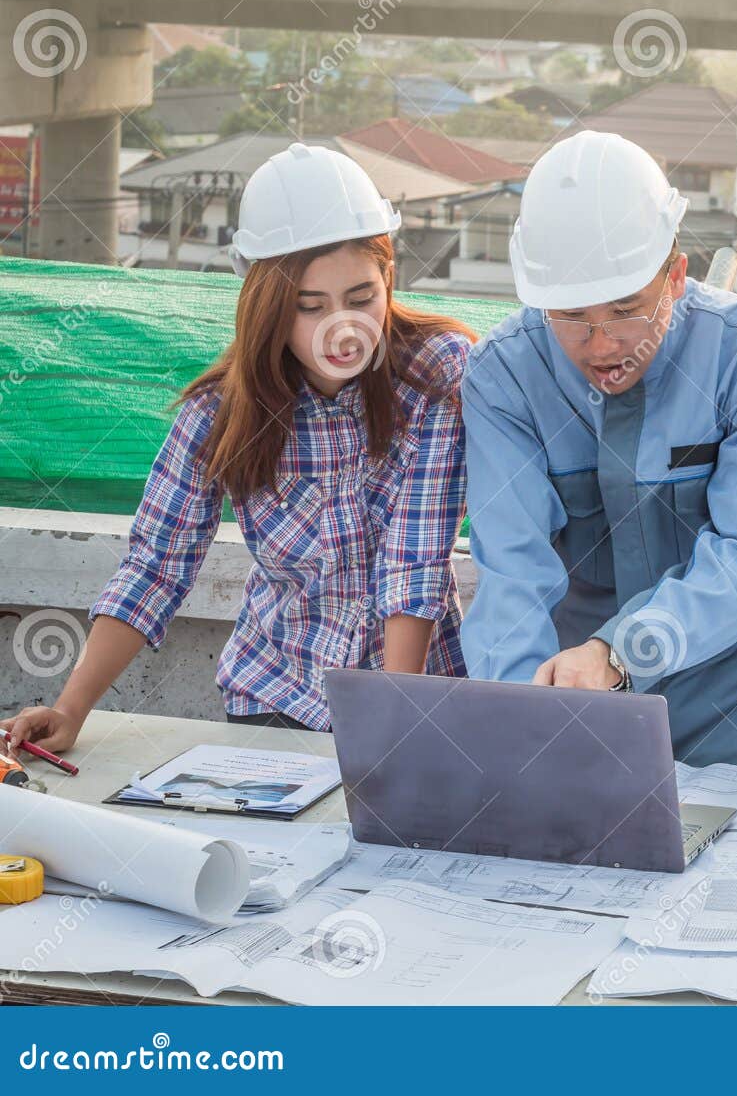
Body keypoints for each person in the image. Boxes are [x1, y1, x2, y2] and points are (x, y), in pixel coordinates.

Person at [2, 143, 475, 754]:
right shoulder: (220, 415)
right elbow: (156, 565)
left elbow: (414, 560)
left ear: (389, 276)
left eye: (362, 297)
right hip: (277, 698)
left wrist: (392, 728)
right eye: (309, 307)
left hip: (415, 699)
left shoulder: (436, 375)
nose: (343, 327)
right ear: (267, 306)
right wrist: (70, 710)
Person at [460, 130, 737, 773]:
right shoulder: (504, 377)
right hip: (581, 703)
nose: (601, 346)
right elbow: (513, 572)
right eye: (570, 315)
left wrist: (620, 653)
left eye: (627, 309)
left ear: (676, 277)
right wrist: (518, 718)